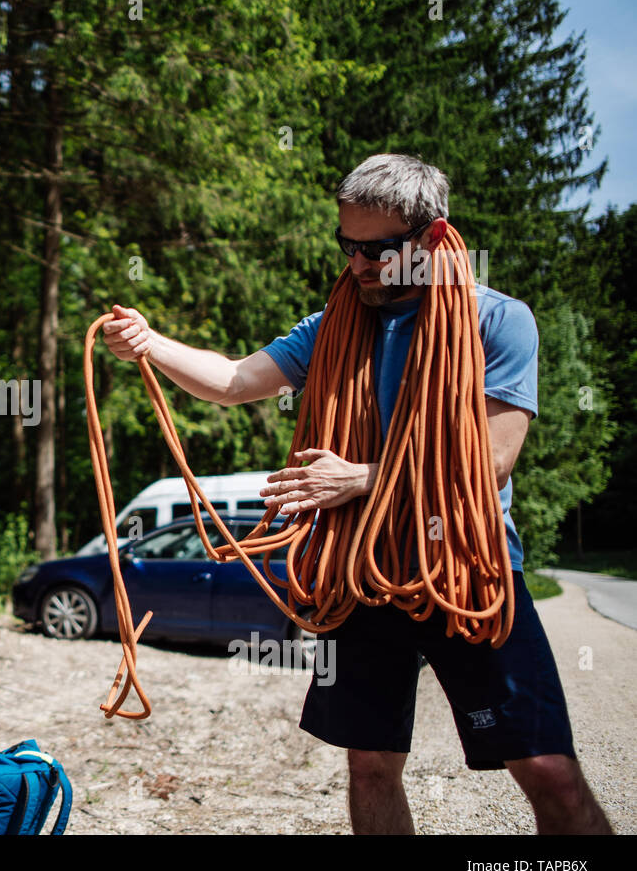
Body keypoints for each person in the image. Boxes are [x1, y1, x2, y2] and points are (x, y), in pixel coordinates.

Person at [102, 153, 611, 834]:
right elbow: (229, 380)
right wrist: (150, 343)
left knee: (546, 767)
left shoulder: (499, 322)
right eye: (347, 245)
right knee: (370, 763)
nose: (358, 265)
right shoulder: (333, 326)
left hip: (467, 567)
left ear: (432, 237)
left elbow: (489, 462)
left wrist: (360, 478)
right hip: (359, 579)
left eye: (376, 250)